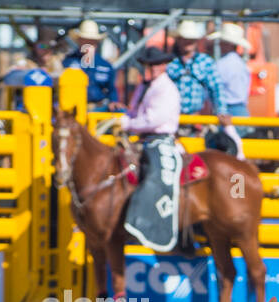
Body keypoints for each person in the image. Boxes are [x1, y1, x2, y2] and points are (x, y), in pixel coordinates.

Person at [116, 46, 182, 253]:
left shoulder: (166, 88)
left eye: (155, 64)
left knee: (155, 175)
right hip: (145, 138)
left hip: (159, 139)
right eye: (148, 65)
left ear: (163, 65)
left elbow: (155, 119)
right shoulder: (146, 87)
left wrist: (127, 123)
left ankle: (146, 224)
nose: (151, 68)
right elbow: (137, 113)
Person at [167, 20, 230, 125]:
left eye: (191, 40)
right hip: (171, 118)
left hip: (196, 119)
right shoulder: (170, 62)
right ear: (178, 40)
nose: (188, 43)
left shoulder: (205, 62)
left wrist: (221, 111)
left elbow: (217, 88)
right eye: (185, 39)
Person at [61, 20, 120, 110]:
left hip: (97, 108)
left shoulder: (105, 66)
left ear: (96, 42)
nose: (88, 44)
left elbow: (111, 89)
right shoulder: (68, 62)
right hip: (72, 108)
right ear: (79, 41)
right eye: (85, 41)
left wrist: (113, 102)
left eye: (91, 41)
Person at [208, 22, 251, 117]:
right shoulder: (240, 63)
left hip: (228, 111)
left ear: (229, 44)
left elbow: (214, 87)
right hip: (241, 109)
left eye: (222, 42)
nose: (219, 44)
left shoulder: (222, 64)